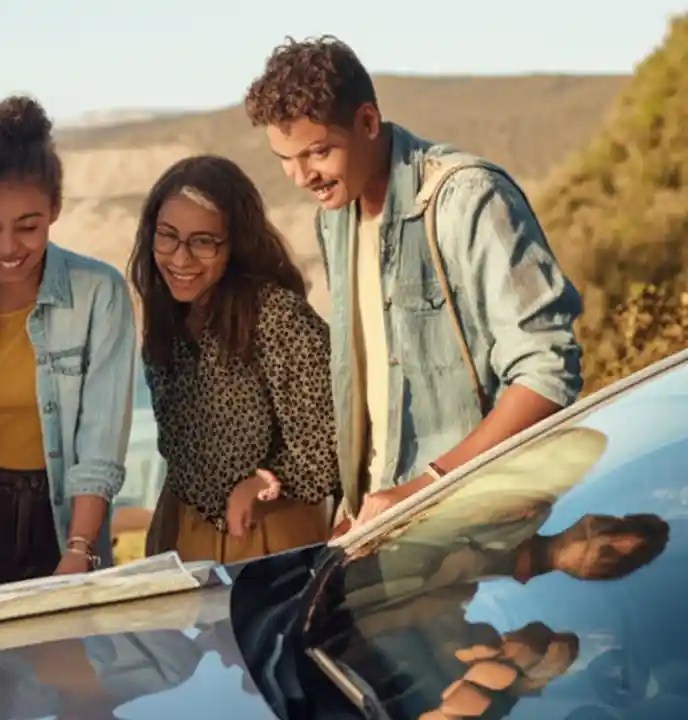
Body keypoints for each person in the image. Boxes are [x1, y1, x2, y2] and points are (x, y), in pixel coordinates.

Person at [244, 36, 583, 531]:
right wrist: (353, 507)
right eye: (284, 158)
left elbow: (547, 373)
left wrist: (427, 485)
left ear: (367, 122)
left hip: (479, 525)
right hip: (381, 528)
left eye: (317, 152)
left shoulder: (467, 199)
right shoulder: (334, 218)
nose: (301, 177)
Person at [0, 96, 137, 595]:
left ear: (55, 210)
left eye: (28, 226)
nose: (8, 247)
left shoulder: (98, 292)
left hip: (59, 521)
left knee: (60, 671)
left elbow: (100, 440)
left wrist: (79, 548)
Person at [131, 154, 339, 564]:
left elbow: (331, 444)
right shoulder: (167, 318)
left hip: (268, 536)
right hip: (181, 530)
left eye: (203, 241)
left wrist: (264, 481)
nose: (181, 258)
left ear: (236, 244)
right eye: (167, 236)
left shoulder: (278, 317)